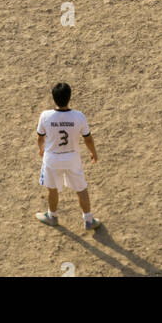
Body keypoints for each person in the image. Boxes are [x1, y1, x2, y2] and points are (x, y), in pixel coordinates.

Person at [35, 81, 99, 230]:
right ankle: (88, 220)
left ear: (54, 98)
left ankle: (52, 216)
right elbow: (87, 138)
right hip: (72, 158)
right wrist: (93, 152)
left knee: (52, 189)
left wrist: (41, 148)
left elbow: (40, 137)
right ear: (69, 97)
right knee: (81, 189)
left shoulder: (45, 116)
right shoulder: (79, 116)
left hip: (52, 159)